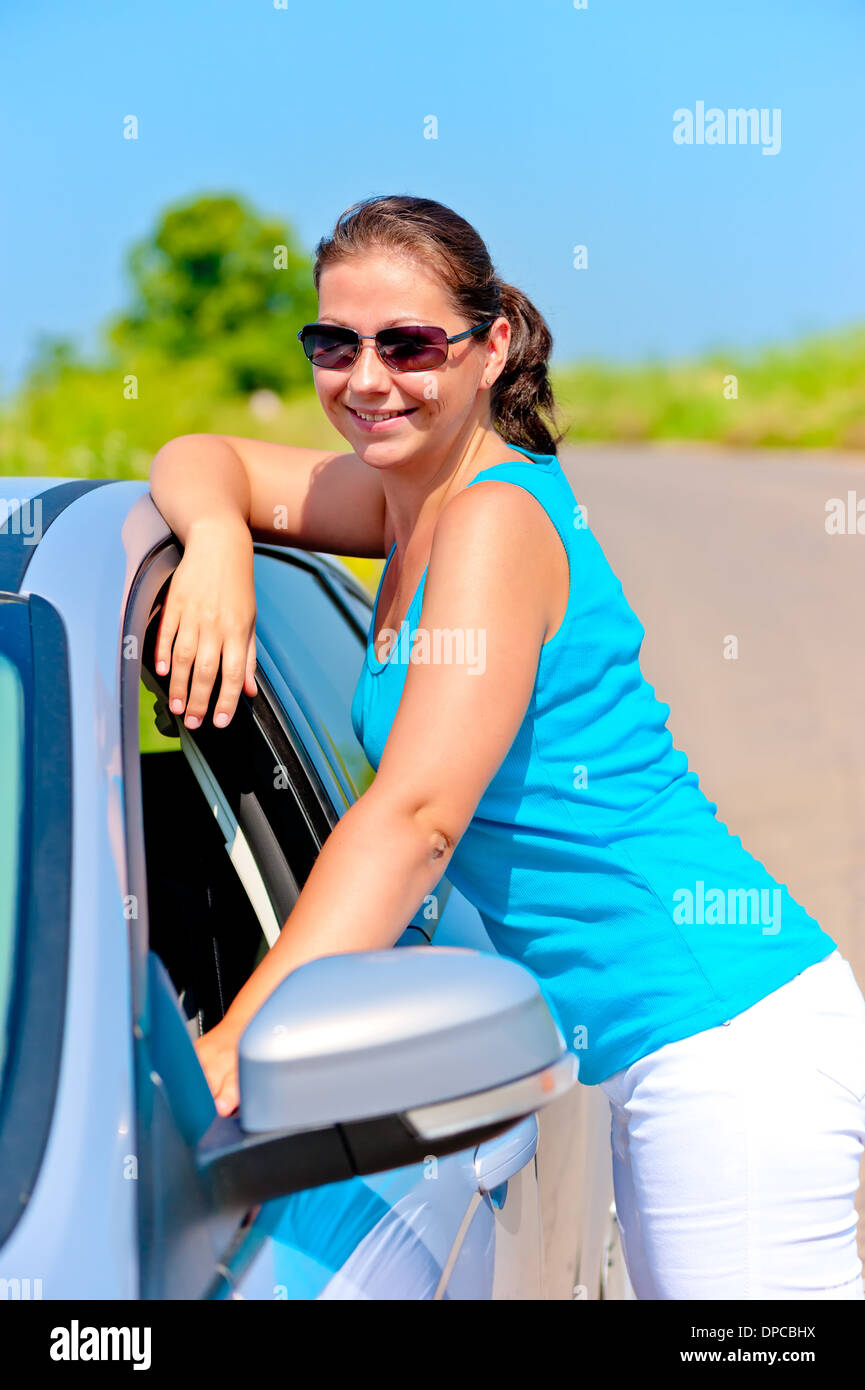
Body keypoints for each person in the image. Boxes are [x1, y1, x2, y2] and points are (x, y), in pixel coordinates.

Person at [148, 193, 865, 1299]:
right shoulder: (400, 499)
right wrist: (210, 542)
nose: (367, 378)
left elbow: (418, 818)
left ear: (488, 350)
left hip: (725, 1035)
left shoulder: (490, 519)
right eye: (334, 342)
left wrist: (243, 1035)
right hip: (662, 1047)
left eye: (409, 344)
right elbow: (201, 455)